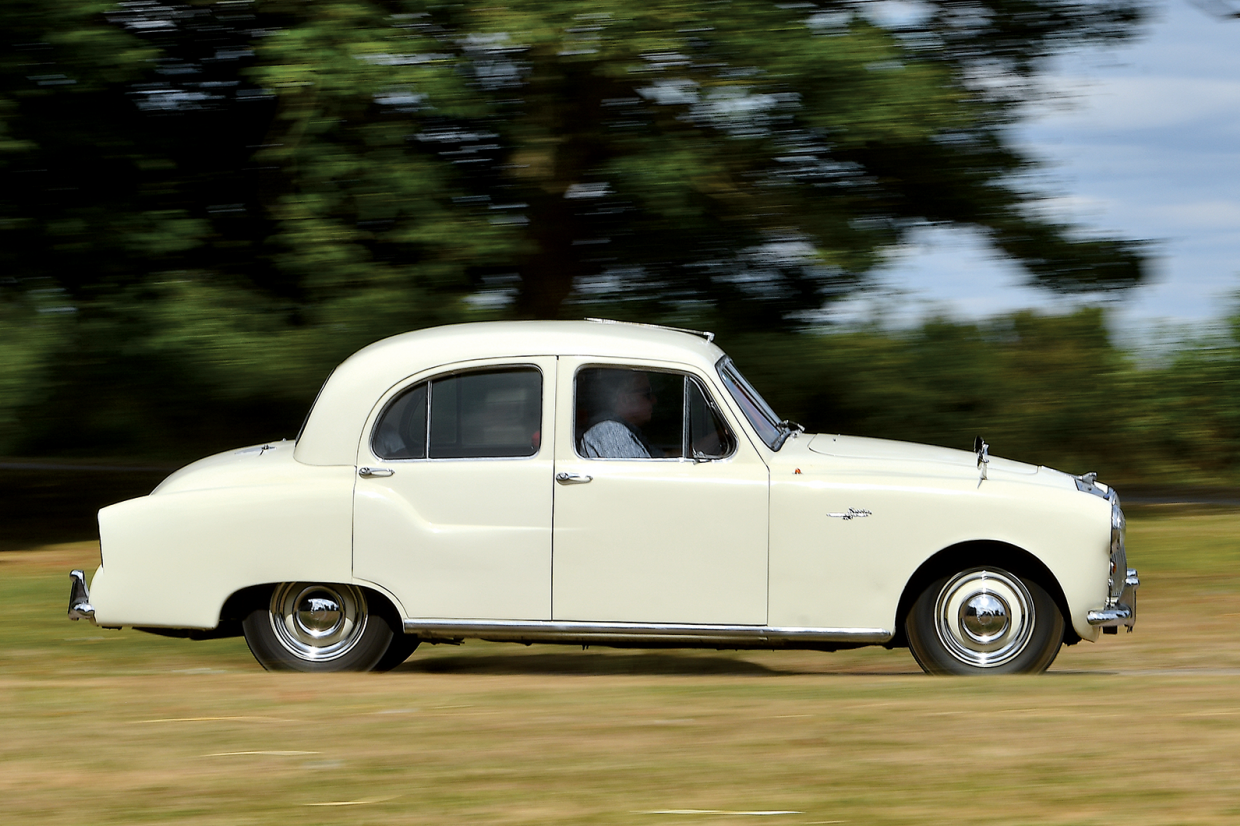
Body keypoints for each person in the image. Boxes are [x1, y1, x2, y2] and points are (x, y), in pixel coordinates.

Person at [580, 370, 660, 459]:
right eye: (647, 394)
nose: (654, 400)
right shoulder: (611, 432)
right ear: (625, 399)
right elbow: (635, 472)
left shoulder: (629, 430)